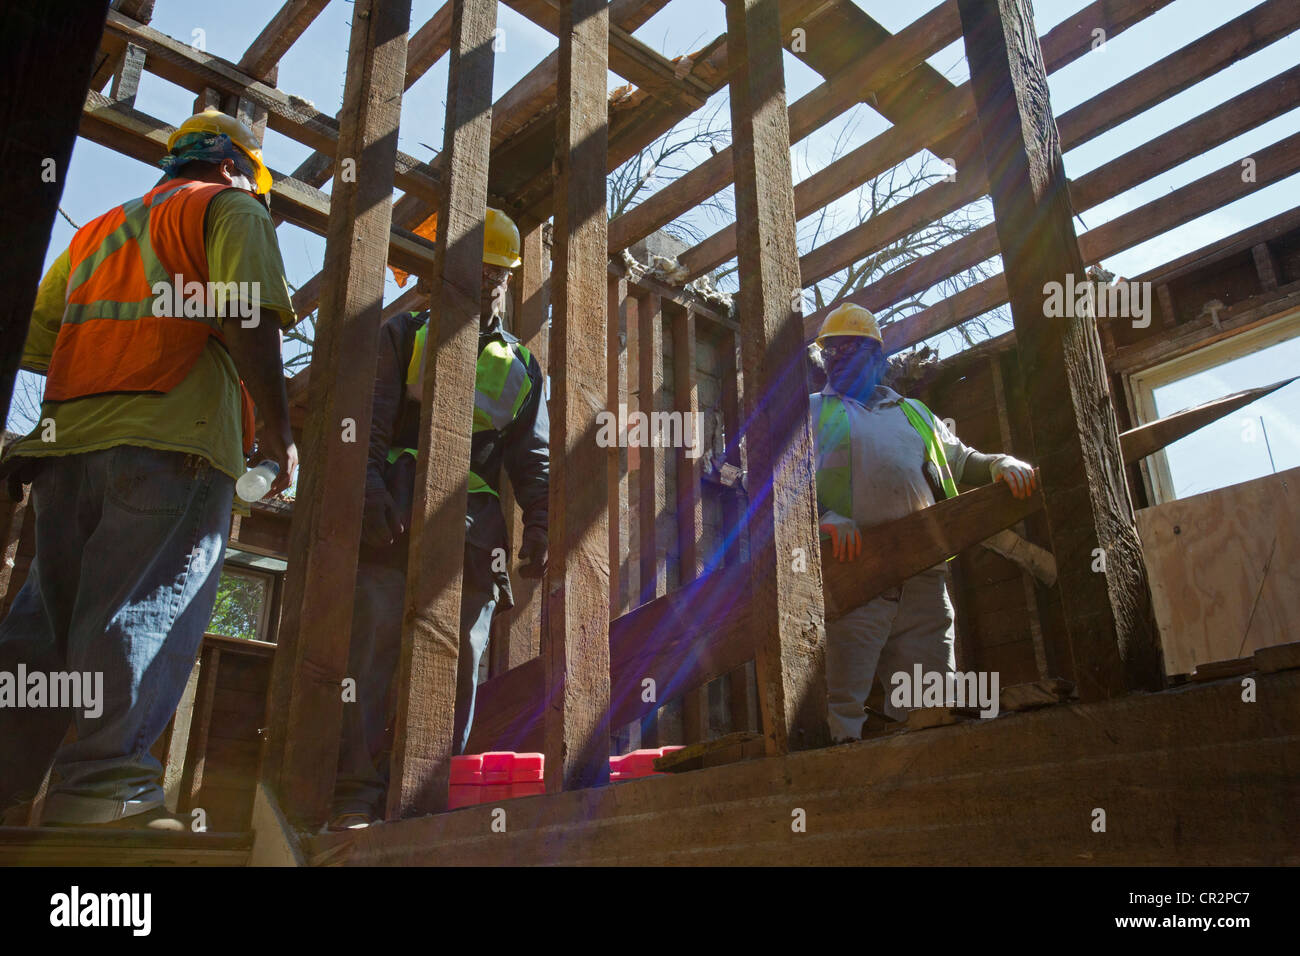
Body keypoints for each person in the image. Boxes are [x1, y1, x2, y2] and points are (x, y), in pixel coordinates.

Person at [0, 109, 298, 829]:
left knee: (47, 629)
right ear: (239, 167)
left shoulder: (96, 233)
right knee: (140, 609)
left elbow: (39, 339)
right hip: (175, 444)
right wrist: (278, 434)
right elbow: (248, 315)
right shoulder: (229, 208)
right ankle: (105, 789)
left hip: (68, 449)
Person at [328, 208, 548, 830]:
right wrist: (370, 493)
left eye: (496, 273)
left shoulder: (522, 366)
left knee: (459, 662)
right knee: (373, 652)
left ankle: (425, 799)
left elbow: (531, 458)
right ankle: (355, 794)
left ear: (507, 277)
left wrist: (541, 523)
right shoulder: (406, 333)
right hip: (396, 518)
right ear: (444, 270)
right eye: (472, 268)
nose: (485, 282)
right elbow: (369, 424)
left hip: (474, 537)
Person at [811, 303, 1036, 742]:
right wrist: (826, 518)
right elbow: (780, 485)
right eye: (831, 351)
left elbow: (962, 460)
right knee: (842, 705)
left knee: (932, 704)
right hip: (855, 571)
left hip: (923, 576)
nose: (838, 358)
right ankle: (841, 796)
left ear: (879, 360)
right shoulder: (811, 412)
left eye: (851, 349)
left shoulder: (914, 412)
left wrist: (1000, 463)